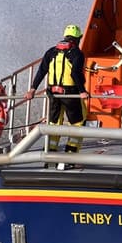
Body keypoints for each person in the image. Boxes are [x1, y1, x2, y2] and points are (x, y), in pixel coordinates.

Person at [22, 24, 90, 162]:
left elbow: (42, 71)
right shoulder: (77, 53)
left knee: (54, 123)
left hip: (53, 94)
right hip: (71, 94)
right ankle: (70, 155)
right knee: (77, 123)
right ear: (77, 39)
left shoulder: (51, 51)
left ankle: (50, 153)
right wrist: (82, 91)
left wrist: (33, 89)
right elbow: (75, 73)